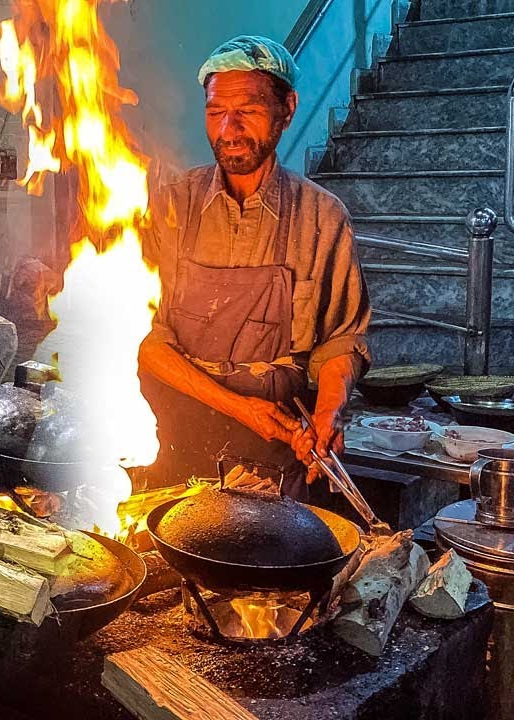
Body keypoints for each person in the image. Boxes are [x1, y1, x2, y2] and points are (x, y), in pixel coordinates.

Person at [134, 35, 372, 499]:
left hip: (276, 450)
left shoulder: (322, 217)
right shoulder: (172, 206)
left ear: (287, 109)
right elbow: (146, 340)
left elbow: (341, 340)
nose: (228, 129)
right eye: (215, 111)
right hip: (169, 440)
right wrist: (241, 408)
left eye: (248, 110)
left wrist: (326, 415)